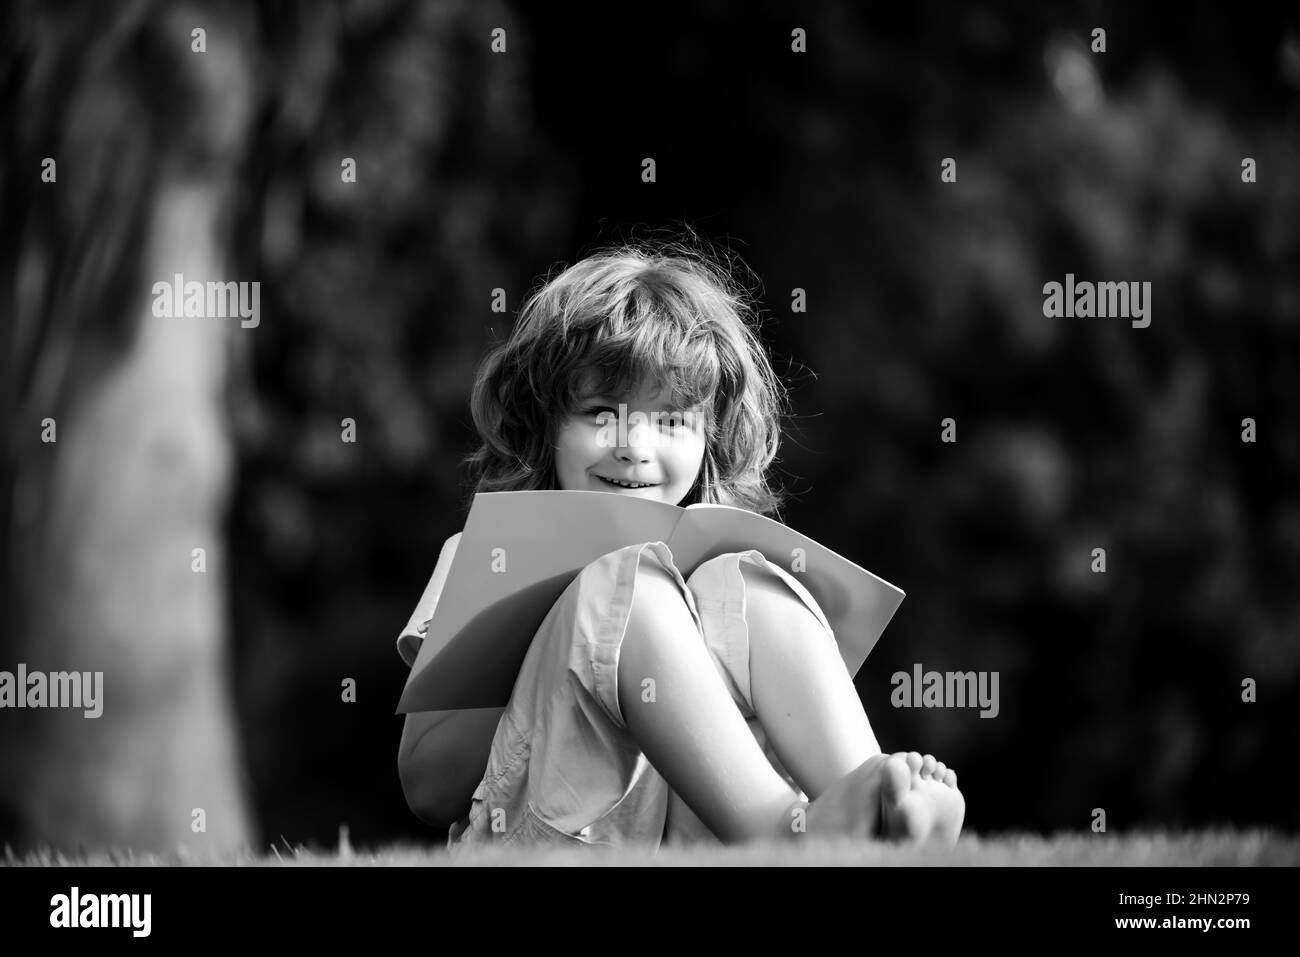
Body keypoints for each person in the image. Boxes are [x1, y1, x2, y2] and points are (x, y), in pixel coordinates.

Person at [396, 240, 965, 852]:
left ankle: (873, 807)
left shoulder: (717, 576)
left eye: (670, 420)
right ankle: (785, 831)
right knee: (625, 585)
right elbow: (429, 788)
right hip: (542, 838)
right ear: (546, 425)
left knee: (749, 582)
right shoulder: (479, 554)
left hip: (691, 843)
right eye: (599, 412)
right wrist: (545, 628)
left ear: (708, 440)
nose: (634, 445)